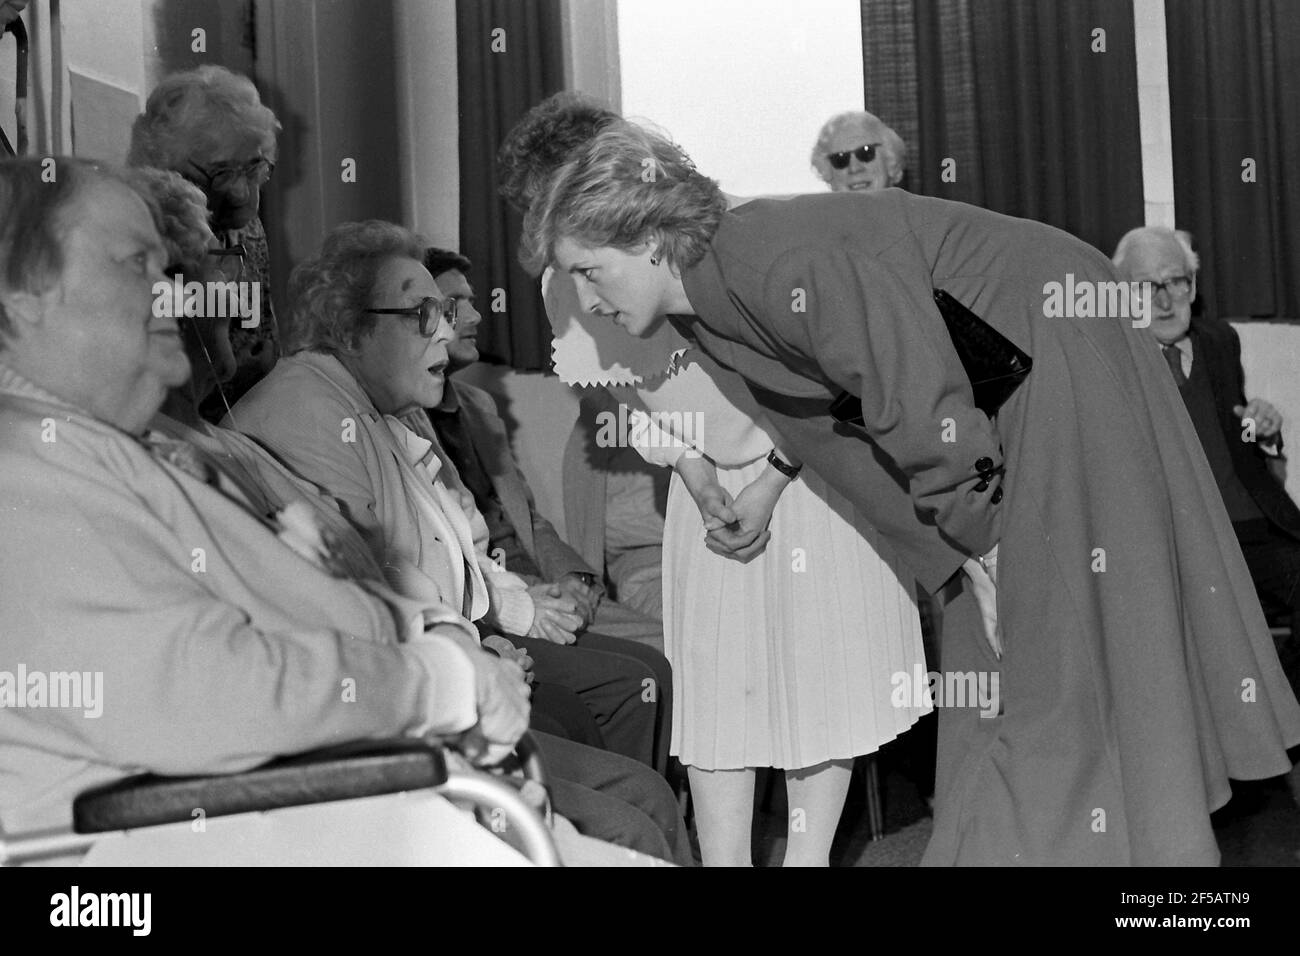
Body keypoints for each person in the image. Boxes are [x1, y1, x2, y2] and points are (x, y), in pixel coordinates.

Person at [520, 120, 1300, 866]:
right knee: (996, 660)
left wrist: (987, 548)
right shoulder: (709, 295)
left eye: (591, 270)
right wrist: (960, 554)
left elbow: (917, 401)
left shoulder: (766, 260)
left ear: (650, 236)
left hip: (1047, 349)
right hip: (1006, 382)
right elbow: (827, 421)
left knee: (1049, 648)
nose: (587, 302)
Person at [0, 157, 524, 840]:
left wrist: (437, 642)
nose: (177, 298)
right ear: (23, 294)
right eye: (138, 265)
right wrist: (444, 683)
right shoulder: (26, 476)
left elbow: (324, 589)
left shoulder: (125, 444)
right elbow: (206, 694)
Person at [502, 97, 930, 866]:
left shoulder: (717, 236)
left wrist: (770, 480)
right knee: (720, 697)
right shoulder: (566, 282)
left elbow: (823, 384)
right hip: (708, 492)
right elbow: (642, 395)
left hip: (812, 475)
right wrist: (699, 480)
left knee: (819, 684)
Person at [224, 221, 690, 861]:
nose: (445, 328)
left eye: (443, 311)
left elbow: (455, 535)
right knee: (635, 795)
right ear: (353, 326)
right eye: (422, 314)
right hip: (392, 706)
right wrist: (477, 645)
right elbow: (369, 587)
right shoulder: (313, 411)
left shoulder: (380, 401)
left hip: (453, 650)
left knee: (618, 727)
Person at [424, 247, 674, 774]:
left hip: (547, 586)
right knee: (646, 671)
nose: (474, 317)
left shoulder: (478, 408)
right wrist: (523, 600)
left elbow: (529, 521)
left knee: (674, 648)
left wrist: (578, 581)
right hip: (494, 600)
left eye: (472, 303)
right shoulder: (401, 420)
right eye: (453, 307)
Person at [1113, 226, 1300, 700]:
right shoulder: (1113, 362)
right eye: (1144, 287)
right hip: (1174, 536)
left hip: (1249, 521)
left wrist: (1265, 431)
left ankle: (1283, 715)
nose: (1163, 301)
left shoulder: (1220, 342)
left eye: (1175, 282)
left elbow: (1233, 436)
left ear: (1193, 288)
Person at [129, 65, 281, 413]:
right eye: (222, 173)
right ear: (167, 170)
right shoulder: (150, 235)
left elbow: (263, 338)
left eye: (255, 167)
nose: (243, 193)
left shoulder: (245, 226)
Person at [810, 109, 907, 193]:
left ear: (890, 160)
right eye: (840, 159)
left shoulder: (918, 213)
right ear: (829, 174)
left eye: (866, 153)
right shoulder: (806, 213)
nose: (854, 168)